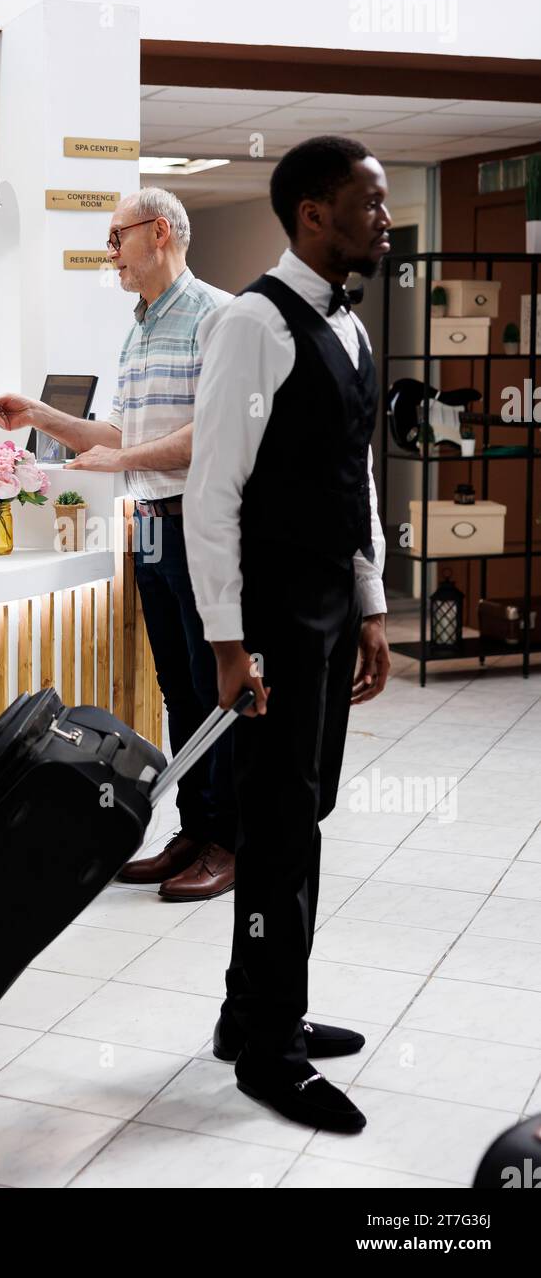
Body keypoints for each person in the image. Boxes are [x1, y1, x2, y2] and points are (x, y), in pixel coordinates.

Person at [183, 136, 391, 1133]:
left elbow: (353, 476)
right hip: (264, 618)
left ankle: (254, 1011)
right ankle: (267, 1047)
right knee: (272, 828)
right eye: (368, 201)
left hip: (325, 608)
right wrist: (226, 643)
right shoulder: (249, 326)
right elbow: (209, 492)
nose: (382, 218)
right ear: (312, 213)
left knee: (302, 815)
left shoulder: (346, 331)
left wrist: (371, 603)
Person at [0, 188, 237, 900]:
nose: (109, 253)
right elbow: (121, 436)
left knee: (218, 690)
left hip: (206, 525)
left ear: (158, 233)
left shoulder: (217, 317)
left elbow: (214, 432)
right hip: (153, 523)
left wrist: (121, 464)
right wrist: (38, 415)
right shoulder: (139, 328)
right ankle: (194, 827)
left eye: (115, 237)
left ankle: (231, 841)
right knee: (180, 691)